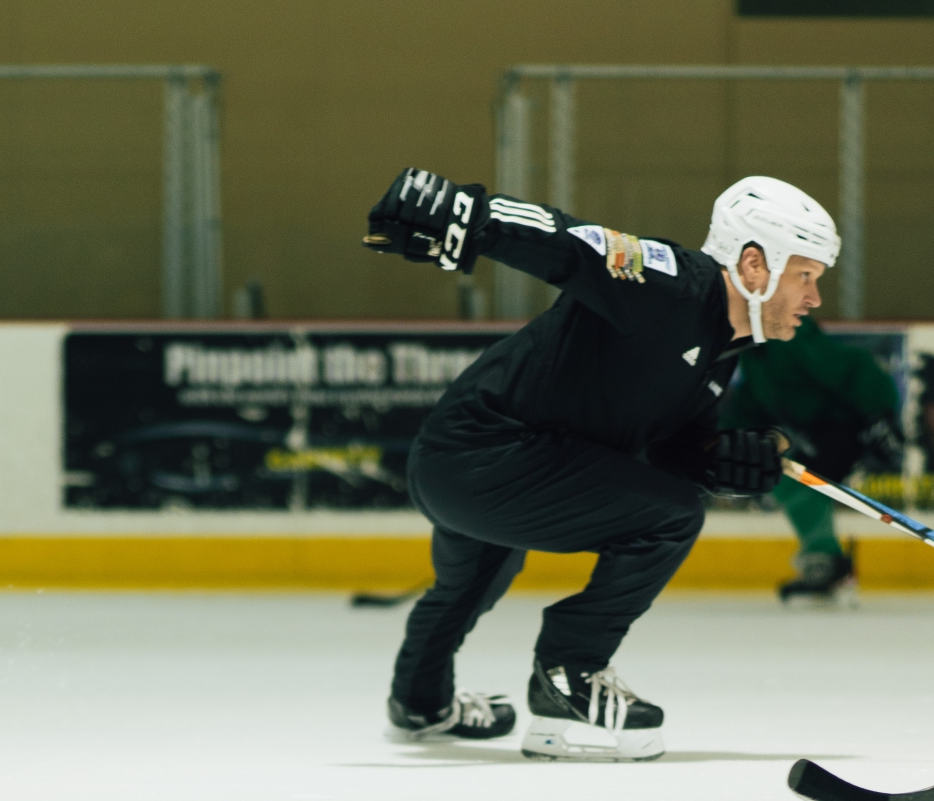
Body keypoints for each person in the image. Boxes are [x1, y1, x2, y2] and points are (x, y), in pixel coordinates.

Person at [363, 169, 838, 761]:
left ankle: (419, 702)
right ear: (753, 265)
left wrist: (722, 462)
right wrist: (470, 213)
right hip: (486, 454)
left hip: (461, 464)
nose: (814, 299)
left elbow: (668, 449)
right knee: (670, 517)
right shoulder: (671, 282)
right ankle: (571, 671)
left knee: (470, 585)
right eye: (805, 276)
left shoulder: (724, 347)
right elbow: (571, 243)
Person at [719, 315, 902, 604]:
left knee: (802, 481)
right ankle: (826, 561)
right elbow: (752, 404)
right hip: (818, 431)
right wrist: (721, 438)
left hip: (846, 421)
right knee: (791, 478)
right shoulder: (754, 354)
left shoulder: (785, 336)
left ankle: (826, 562)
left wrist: (879, 414)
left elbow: (852, 365)